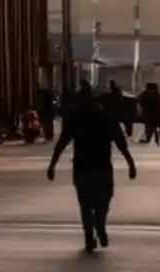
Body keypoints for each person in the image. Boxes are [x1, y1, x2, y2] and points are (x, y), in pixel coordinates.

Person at [47, 88, 137, 252]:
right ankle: (99, 224)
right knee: (103, 199)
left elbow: (62, 143)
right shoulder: (106, 118)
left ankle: (90, 234)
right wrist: (130, 163)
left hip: (83, 166)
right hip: (101, 165)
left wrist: (52, 165)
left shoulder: (76, 119)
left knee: (86, 204)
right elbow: (121, 143)